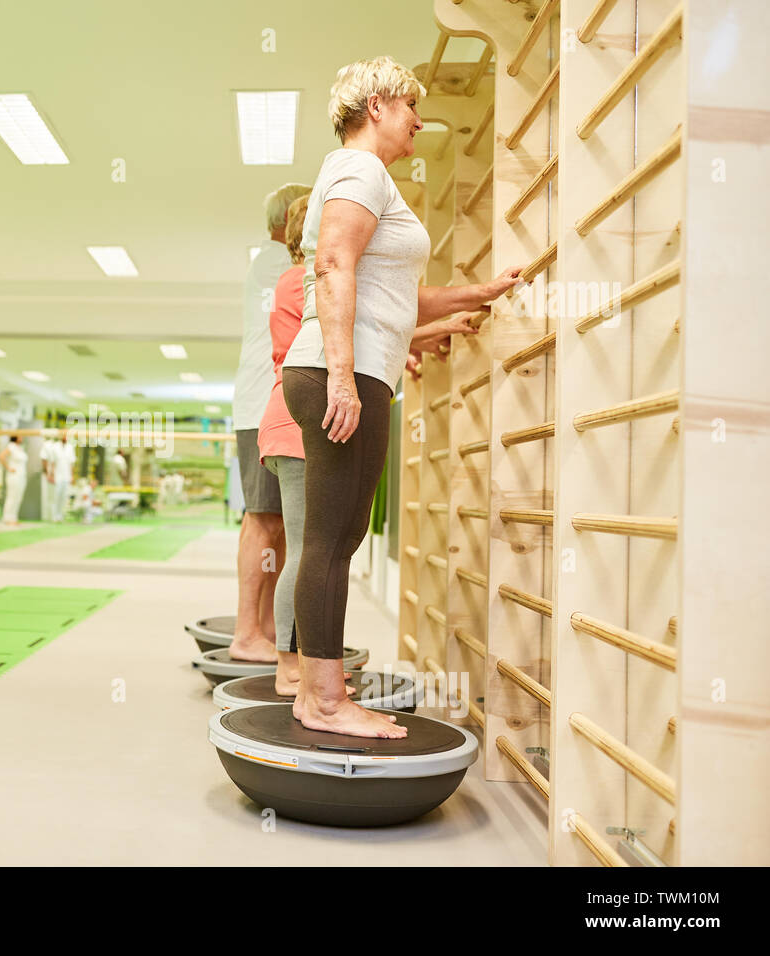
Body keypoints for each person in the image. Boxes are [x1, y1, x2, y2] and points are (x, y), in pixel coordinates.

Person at [281, 56, 522, 738]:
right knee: (331, 541)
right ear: (377, 106)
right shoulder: (359, 170)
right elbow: (332, 264)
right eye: (410, 106)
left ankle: (319, 688)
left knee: (338, 536)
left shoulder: (368, 177)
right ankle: (322, 700)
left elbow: (394, 297)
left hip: (355, 370)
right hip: (340, 373)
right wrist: (339, 374)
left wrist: (480, 293)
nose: (419, 119)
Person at [260, 193, 478, 696]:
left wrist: (434, 331)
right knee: (309, 547)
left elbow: (370, 328)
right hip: (298, 424)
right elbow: (358, 321)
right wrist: (442, 320)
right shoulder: (306, 279)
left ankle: (304, 664)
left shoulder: (309, 280)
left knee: (315, 545)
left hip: (298, 422)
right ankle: (291, 667)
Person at [229, 181, 312, 663]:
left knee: (276, 522)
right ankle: (246, 632)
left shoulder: (275, 263)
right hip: (265, 403)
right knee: (263, 520)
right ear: (290, 221)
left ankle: (263, 627)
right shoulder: (281, 265)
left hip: (266, 403)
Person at [0, 436, 28, 525]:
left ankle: (14, 517)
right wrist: (9, 468)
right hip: (13, 476)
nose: (22, 438)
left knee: (18, 497)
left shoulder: (20, 448)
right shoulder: (11, 446)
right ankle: (7, 518)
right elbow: (1, 456)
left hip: (21, 476)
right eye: (20, 436)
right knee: (12, 496)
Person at [54, 435, 77, 522]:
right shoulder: (55, 446)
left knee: (64, 497)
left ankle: (61, 516)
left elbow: (72, 463)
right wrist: (51, 474)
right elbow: (53, 462)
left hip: (66, 476)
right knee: (56, 496)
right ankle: (54, 516)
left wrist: (72, 476)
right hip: (57, 475)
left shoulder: (70, 447)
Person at [40, 435, 60, 522]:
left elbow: (54, 462)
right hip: (48, 476)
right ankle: (46, 517)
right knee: (47, 497)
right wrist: (48, 474)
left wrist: (52, 474)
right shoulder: (47, 445)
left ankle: (52, 517)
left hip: (55, 475)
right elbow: (44, 460)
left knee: (54, 497)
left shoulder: (55, 446)